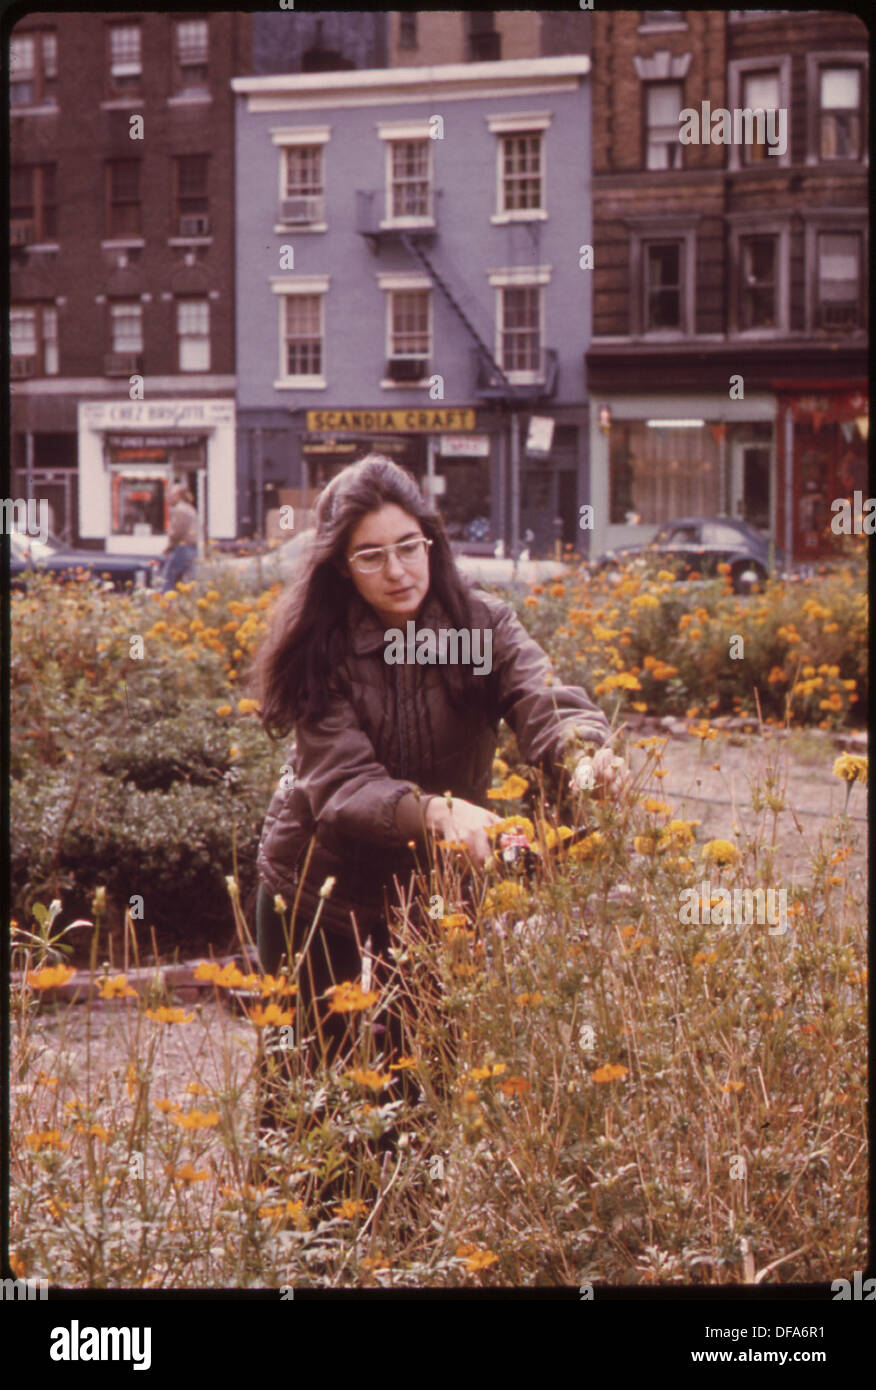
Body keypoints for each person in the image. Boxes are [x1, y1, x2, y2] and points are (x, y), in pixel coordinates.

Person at [248, 454, 626, 1085]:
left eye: (408, 546)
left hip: (432, 891)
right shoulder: (321, 649)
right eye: (370, 556)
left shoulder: (481, 626)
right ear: (341, 567)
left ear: (431, 541)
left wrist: (584, 755)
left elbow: (542, 697)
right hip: (316, 888)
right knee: (304, 1094)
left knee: (426, 1084)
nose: (397, 570)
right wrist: (438, 810)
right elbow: (341, 786)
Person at [161, 483, 199, 591]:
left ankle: (166, 605)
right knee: (187, 581)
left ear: (178, 495)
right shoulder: (190, 508)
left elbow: (177, 532)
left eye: (170, 494)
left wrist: (169, 547)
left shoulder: (179, 509)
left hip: (182, 548)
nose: (167, 497)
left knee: (168, 580)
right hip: (192, 548)